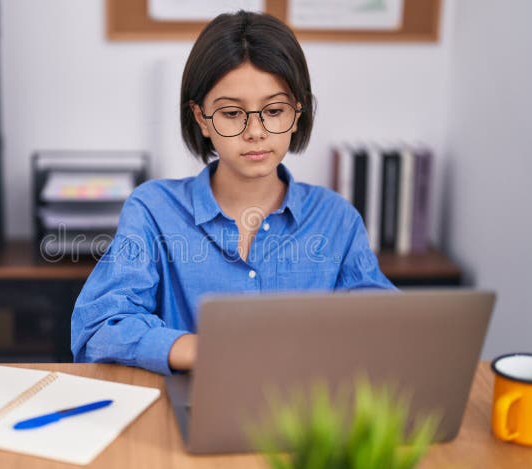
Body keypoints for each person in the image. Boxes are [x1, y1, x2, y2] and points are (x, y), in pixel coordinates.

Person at [71, 11, 395, 375]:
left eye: (274, 111)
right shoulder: (152, 210)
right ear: (200, 118)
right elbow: (99, 329)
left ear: (298, 111)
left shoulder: (337, 218)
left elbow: (386, 329)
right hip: (189, 408)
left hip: (307, 416)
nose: (255, 131)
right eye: (231, 113)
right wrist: (211, 350)